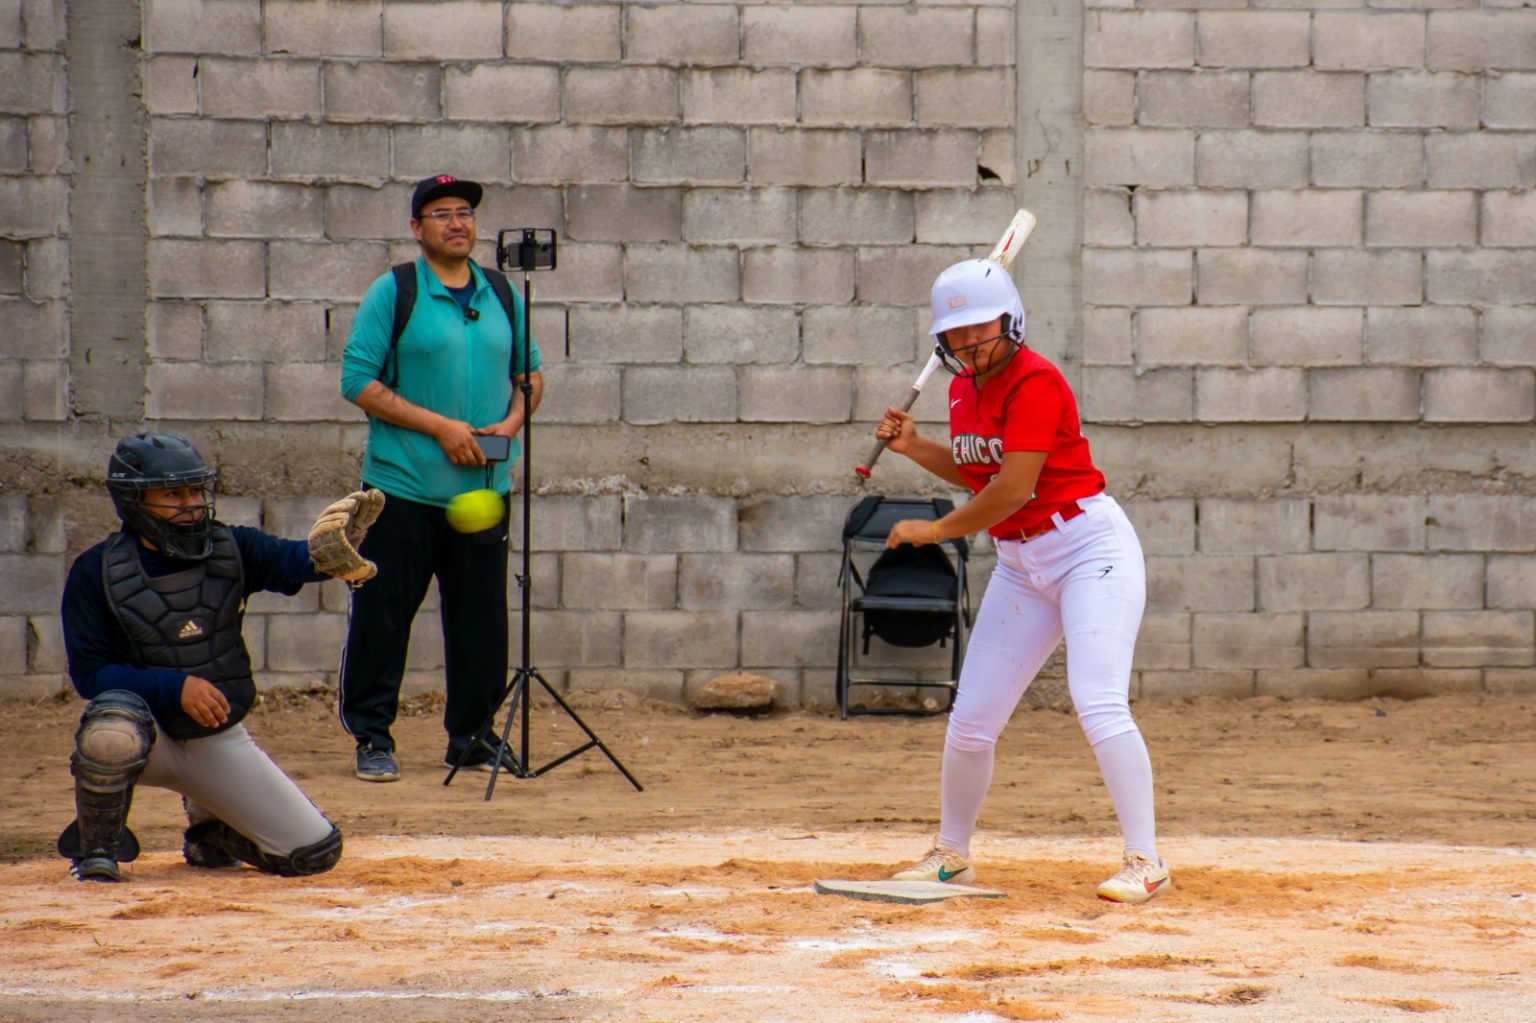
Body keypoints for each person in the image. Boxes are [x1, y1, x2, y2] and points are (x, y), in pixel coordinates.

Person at [875, 259, 1169, 904]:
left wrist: (935, 531)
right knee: (972, 719)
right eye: (955, 335)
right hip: (1021, 562)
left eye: (979, 330)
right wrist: (916, 447)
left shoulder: (1036, 381)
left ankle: (1145, 861)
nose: (967, 344)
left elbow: (1013, 489)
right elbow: (980, 470)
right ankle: (951, 855)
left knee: (1098, 700)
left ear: (1011, 323)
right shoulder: (962, 390)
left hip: (1088, 548)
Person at [58, 432, 380, 882]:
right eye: (173, 494)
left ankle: (210, 833)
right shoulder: (95, 570)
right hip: (145, 738)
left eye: (195, 490)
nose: (191, 504)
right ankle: (96, 851)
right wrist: (175, 687)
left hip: (211, 736)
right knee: (110, 732)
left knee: (312, 852)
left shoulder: (232, 546)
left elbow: (290, 560)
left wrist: (326, 554)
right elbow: (90, 674)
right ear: (133, 499)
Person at [338, 174, 543, 782]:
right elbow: (357, 382)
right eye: (442, 213)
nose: (457, 223)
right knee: (383, 618)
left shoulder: (501, 292)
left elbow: (531, 376)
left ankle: (472, 739)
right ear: (417, 228)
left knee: (481, 623)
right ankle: (372, 737)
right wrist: (442, 429)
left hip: (483, 492)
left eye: (465, 213)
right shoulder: (394, 291)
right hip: (400, 489)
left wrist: (511, 423)